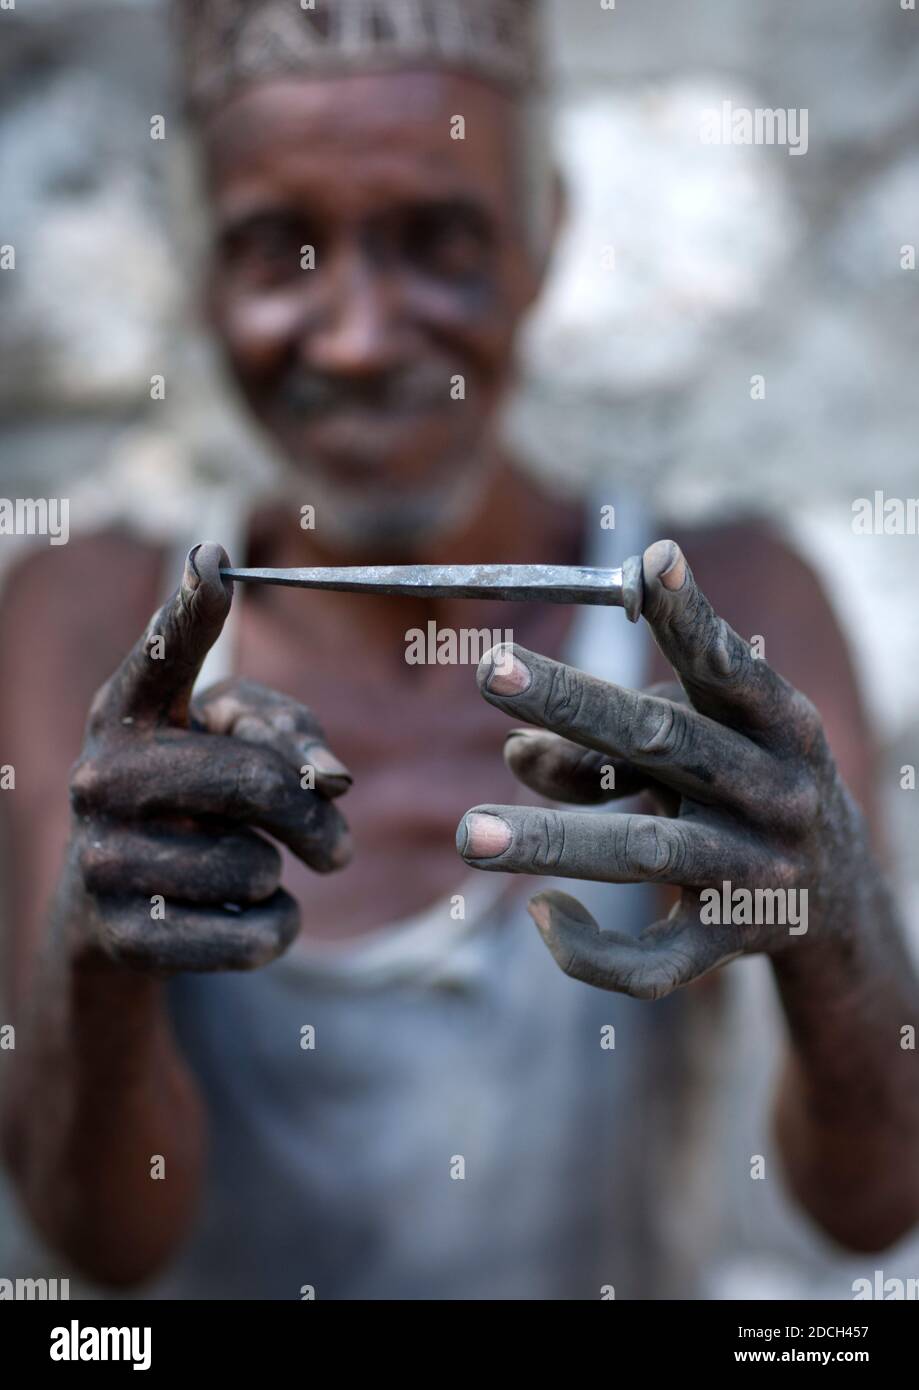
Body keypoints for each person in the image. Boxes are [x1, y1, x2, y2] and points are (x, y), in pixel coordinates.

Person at [1, 0, 917, 1299]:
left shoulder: (729, 608)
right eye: (280, 249)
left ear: (547, 233)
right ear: (201, 265)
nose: (363, 337)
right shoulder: (81, 620)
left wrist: (835, 932)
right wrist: (92, 965)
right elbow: (97, 1238)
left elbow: (871, 1205)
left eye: (440, 241)